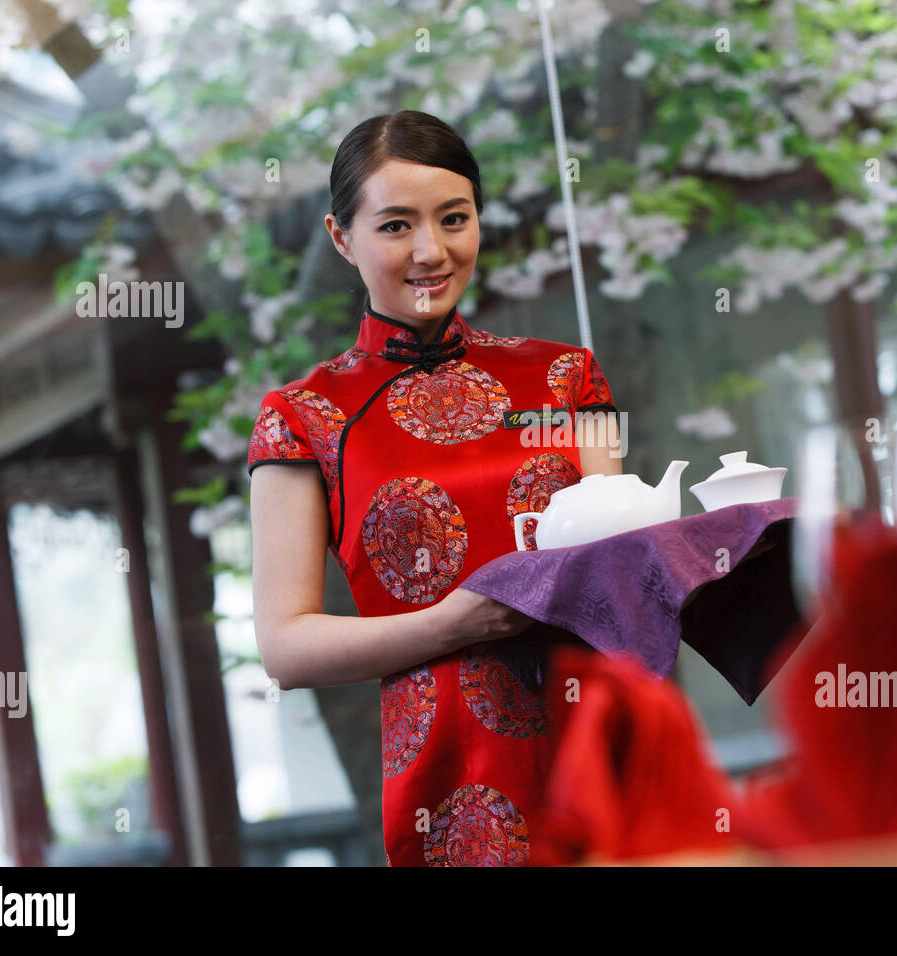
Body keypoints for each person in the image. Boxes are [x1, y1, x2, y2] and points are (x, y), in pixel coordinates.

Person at [247, 109, 622, 867]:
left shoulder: (567, 378)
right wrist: (449, 626)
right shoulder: (304, 416)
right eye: (395, 227)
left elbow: (616, 565)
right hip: (447, 791)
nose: (431, 251)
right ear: (341, 238)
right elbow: (285, 646)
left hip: (597, 747)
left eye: (455, 219)